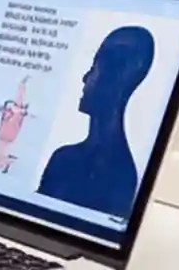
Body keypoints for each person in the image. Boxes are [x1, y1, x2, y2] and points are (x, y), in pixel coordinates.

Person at [37, 26, 155, 218]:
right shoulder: (65, 159)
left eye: (95, 67)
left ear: (116, 77)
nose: (85, 78)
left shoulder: (120, 176)